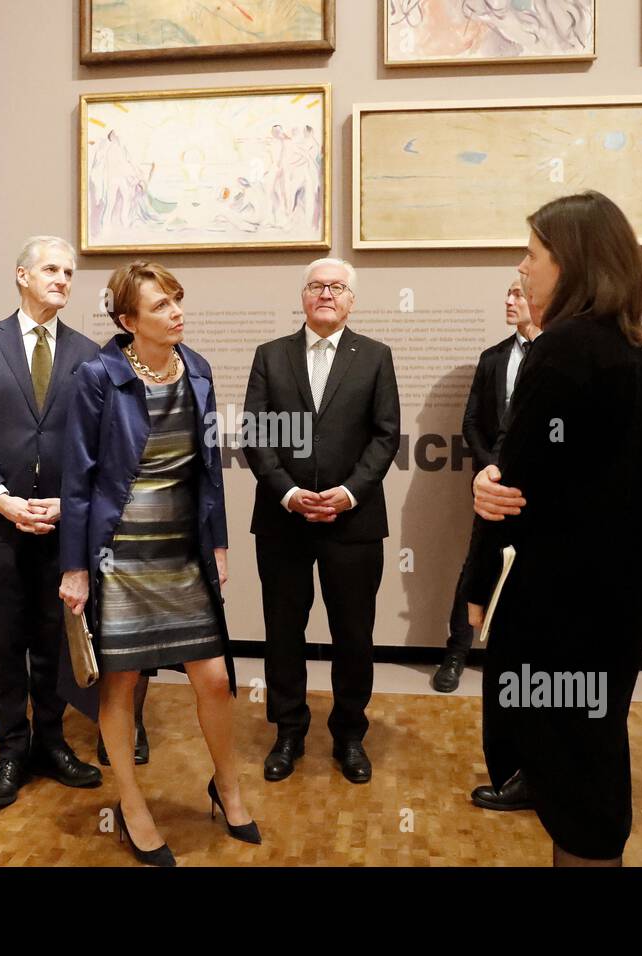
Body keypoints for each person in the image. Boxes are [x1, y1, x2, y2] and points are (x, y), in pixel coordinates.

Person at [467, 191, 642, 867]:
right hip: (614, 605)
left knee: (577, 792)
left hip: (565, 613)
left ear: (572, 262)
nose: (522, 268)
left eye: (532, 254)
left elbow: (514, 486)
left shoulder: (563, 350)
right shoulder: (627, 350)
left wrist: (488, 486)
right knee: (592, 761)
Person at [60, 261, 256, 866]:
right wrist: (76, 568)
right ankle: (133, 806)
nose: (176, 312)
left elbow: (208, 469)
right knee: (123, 686)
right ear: (128, 320)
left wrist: (218, 543)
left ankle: (226, 786)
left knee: (216, 680)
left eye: (177, 300)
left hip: (181, 550)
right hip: (118, 552)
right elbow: (78, 479)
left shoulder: (196, 368)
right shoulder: (98, 375)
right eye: (161, 306)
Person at [0, 236, 102, 811]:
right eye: (50, 269)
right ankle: (11, 749)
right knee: (6, 643)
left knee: (53, 642)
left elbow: (97, 445)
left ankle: (53, 743)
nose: (62, 278)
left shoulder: (89, 353)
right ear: (21, 275)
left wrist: (69, 502)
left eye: (68, 271)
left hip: (63, 524)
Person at [243, 257, 401, 784]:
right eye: (316, 286)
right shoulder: (270, 356)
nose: (326, 294)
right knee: (283, 631)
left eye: (337, 287)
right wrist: (287, 492)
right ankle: (288, 731)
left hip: (352, 523)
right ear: (303, 296)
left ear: (351, 300)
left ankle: (350, 734)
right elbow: (257, 434)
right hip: (283, 520)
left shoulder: (376, 357)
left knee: (353, 632)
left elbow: (386, 436)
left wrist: (350, 493)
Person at [433, 276, 540, 693]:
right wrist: (488, 468)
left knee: (535, 571)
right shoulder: (492, 358)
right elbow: (472, 421)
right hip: (492, 485)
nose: (509, 300)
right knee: (477, 564)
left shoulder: (558, 356)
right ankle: (456, 653)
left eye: (516, 293)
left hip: (540, 488)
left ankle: (524, 662)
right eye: (508, 293)